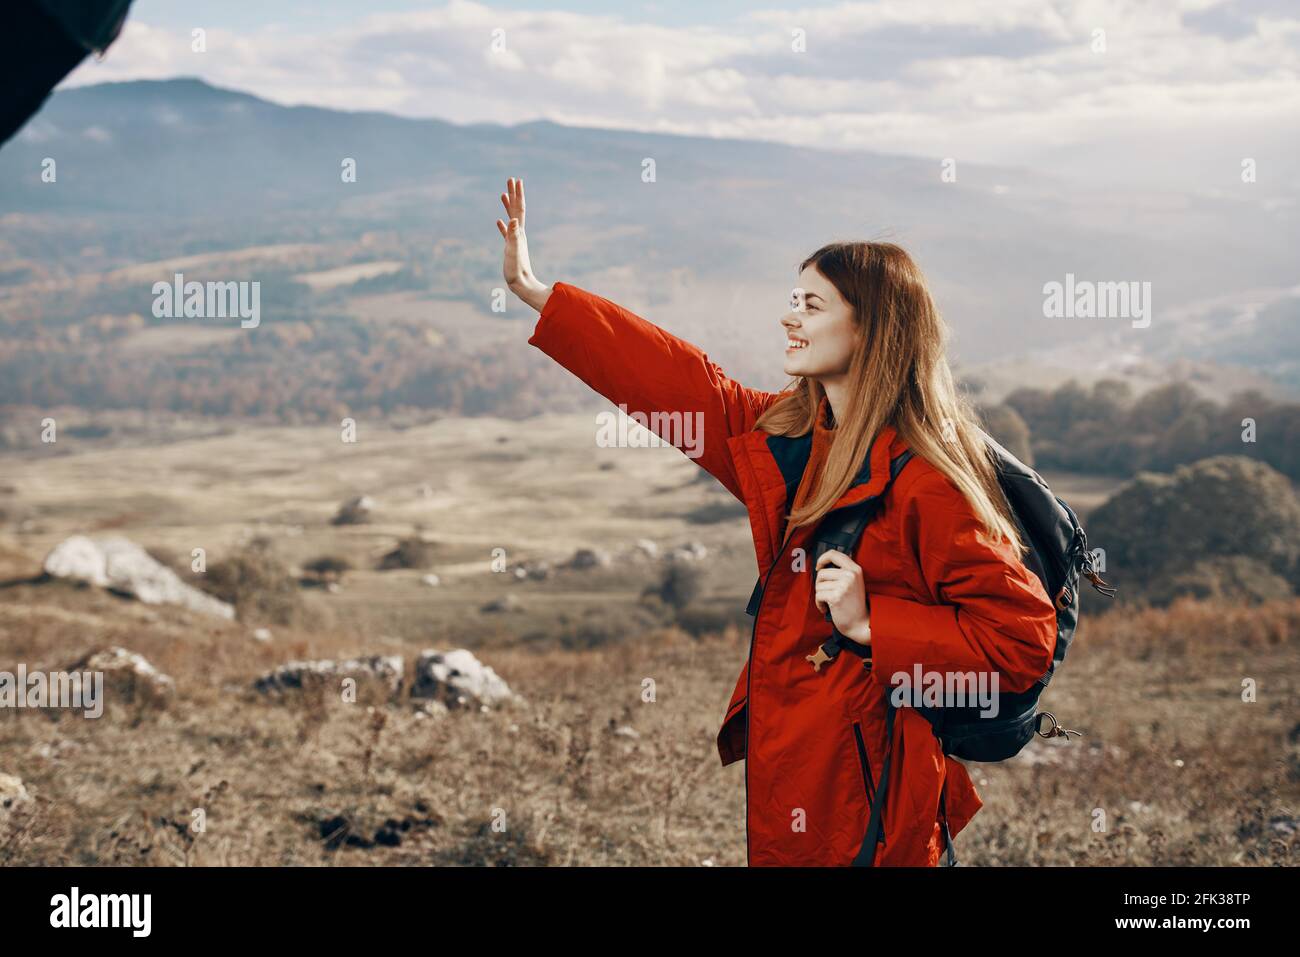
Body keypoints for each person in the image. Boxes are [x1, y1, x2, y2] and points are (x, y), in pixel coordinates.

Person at [496, 177, 1058, 866]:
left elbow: (1021, 639)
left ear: (870, 326)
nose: (790, 318)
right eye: (793, 301)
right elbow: (678, 382)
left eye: (812, 304)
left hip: (874, 803)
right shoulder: (793, 439)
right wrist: (538, 292)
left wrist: (870, 623)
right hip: (795, 769)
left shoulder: (928, 481)